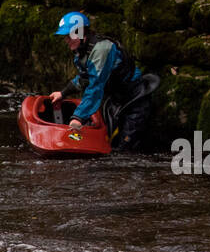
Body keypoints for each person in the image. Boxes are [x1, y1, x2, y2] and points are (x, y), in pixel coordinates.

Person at [48, 11, 156, 152]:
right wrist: (63, 93)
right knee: (109, 144)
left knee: (124, 151)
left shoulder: (102, 50)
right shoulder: (82, 51)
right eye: (65, 36)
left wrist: (78, 117)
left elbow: (95, 87)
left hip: (135, 100)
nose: (66, 40)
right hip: (115, 101)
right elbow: (84, 78)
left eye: (69, 36)